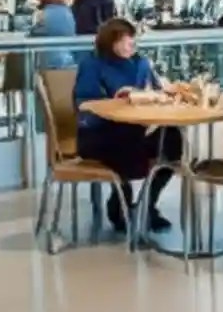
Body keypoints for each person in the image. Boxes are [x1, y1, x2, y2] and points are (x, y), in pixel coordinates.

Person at [74, 18, 182, 232]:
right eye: (124, 40)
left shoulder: (141, 63)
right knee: (125, 139)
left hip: (136, 129)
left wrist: (156, 96)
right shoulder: (92, 64)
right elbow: (84, 105)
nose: (130, 44)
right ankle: (120, 203)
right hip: (98, 134)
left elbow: (157, 89)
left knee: (171, 140)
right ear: (109, 42)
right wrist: (115, 103)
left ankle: (148, 204)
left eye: (132, 38)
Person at [28, 0, 75, 69]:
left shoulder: (46, 14)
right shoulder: (67, 12)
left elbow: (31, 35)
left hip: (49, 66)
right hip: (66, 63)